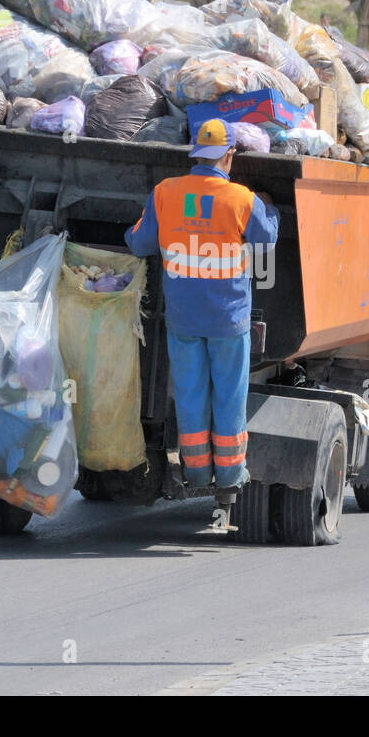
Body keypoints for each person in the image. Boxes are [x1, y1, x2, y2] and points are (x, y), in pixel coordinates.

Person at [125, 119, 279, 490]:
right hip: (228, 320)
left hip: (184, 319)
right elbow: (267, 240)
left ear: (195, 152)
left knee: (191, 396)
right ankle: (228, 475)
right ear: (230, 154)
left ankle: (195, 472)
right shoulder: (241, 199)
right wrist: (269, 209)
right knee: (229, 396)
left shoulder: (166, 192)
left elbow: (139, 243)